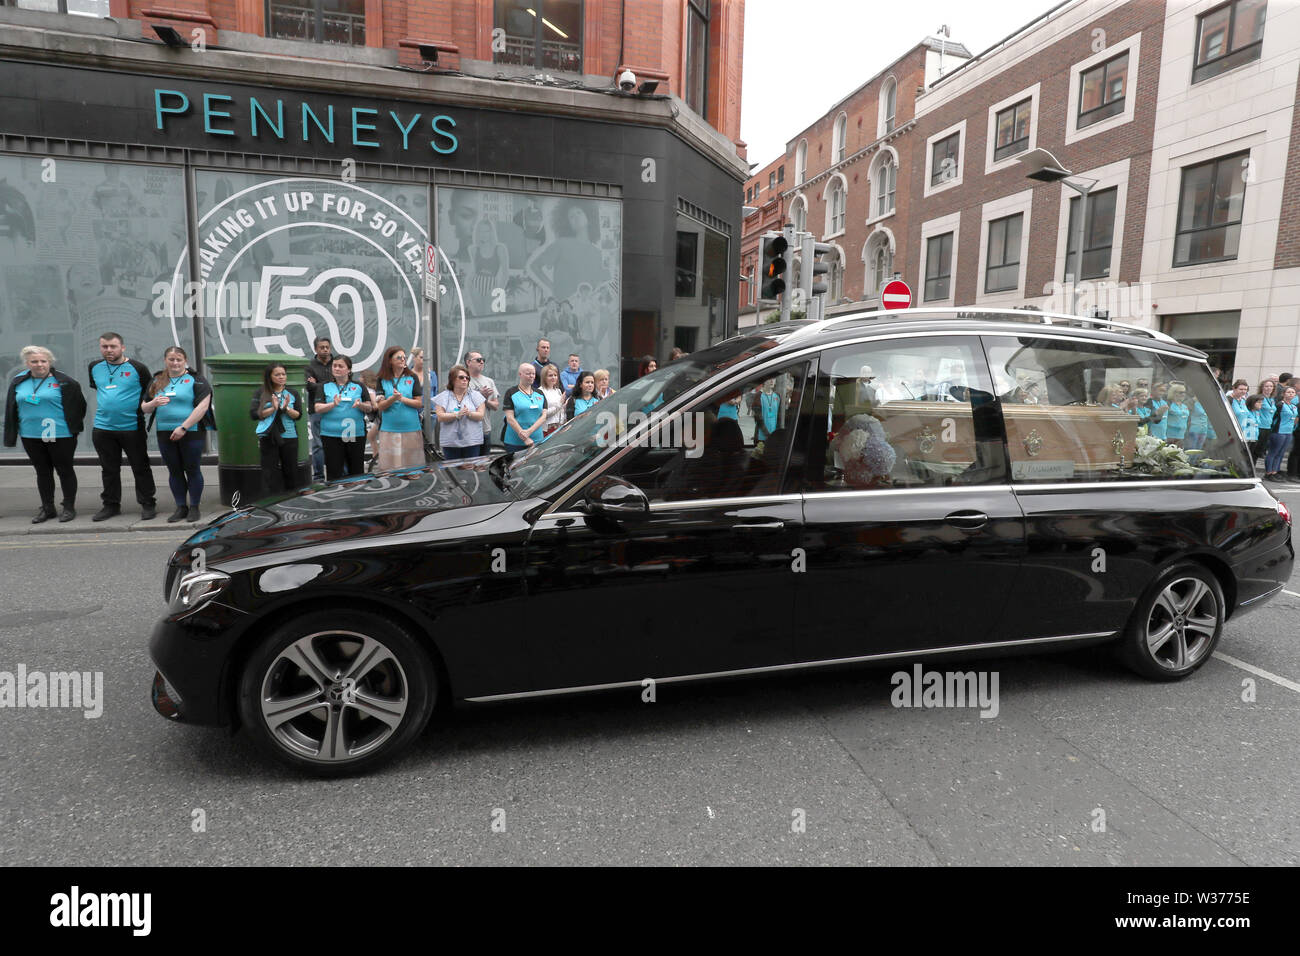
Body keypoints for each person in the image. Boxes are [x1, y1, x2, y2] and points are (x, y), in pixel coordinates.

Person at [3, 345, 86, 523]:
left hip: (61, 434)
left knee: (64, 470)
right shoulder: (18, 381)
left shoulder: (65, 381)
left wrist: (74, 429)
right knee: (42, 472)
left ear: (50, 362)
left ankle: (69, 507)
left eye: (43, 361)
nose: (39, 364)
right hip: (31, 435)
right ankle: (48, 508)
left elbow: (79, 407)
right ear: (27, 363)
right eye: (34, 361)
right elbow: (12, 406)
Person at [87, 332, 156, 521]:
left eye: (113, 346)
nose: (109, 350)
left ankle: (148, 503)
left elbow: (148, 392)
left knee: (140, 467)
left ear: (122, 347)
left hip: (131, 427)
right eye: (104, 346)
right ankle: (111, 505)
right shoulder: (94, 367)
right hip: (103, 427)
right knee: (109, 469)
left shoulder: (138, 368)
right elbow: (99, 389)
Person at [141, 346, 213, 523]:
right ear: (165, 361)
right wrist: (154, 403)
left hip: (191, 431)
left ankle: (194, 507)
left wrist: (183, 427)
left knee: (192, 469)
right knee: (174, 470)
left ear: (185, 361)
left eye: (179, 359)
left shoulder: (196, 380)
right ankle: (181, 507)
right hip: (164, 432)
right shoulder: (157, 380)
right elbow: (144, 407)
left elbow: (202, 407)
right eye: (171, 359)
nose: (175, 363)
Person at [314, 355, 375, 481]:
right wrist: (333, 404)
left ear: (349, 370)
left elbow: (369, 407)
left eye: (340, 366)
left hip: (354, 432)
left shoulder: (359, 386)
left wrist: (360, 405)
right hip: (331, 434)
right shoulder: (324, 386)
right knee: (334, 471)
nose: (336, 368)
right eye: (334, 366)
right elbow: (318, 408)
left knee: (356, 470)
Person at [250, 362, 304, 493]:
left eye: (283, 374)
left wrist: (285, 408)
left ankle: (291, 500)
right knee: (269, 472)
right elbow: (254, 414)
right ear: (270, 376)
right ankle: (271, 501)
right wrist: (273, 408)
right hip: (269, 437)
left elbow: (298, 415)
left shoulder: (292, 393)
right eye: (277, 374)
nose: (281, 377)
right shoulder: (261, 392)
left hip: (289, 436)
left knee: (291, 471)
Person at [375, 346, 425, 471]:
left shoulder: (412, 377)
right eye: (399, 357)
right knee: (391, 470)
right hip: (389, 430)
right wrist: (393, 399)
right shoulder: (382, 379)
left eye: (404, 357)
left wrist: (402, 399)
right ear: (390, 361)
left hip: (411, 429)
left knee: (413, 470)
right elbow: (380, 406)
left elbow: (419, 403)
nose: (403, 360)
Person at [434, 364, 487, 459]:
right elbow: (440, 417)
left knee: (471, 470)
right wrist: (456, 415)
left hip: (471, 441)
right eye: (461, 377)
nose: (465, 380)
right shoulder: (444, 396)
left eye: (467, 378)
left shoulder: (476, 396)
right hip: (451, 442)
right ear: (453, 379)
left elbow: (481, 415)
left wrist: (469, 413)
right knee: (452, 470)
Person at [304, 336, 334, 482]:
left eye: (327, 347)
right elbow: (309, 386)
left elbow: (342, 383)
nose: (325, 350)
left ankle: (338, 475)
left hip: (336, 409)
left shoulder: (337, 363)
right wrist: (329, 384)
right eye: (322, 347)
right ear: (315, 349)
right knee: (318, 444)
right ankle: (318, 477)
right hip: (316, 409)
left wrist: (319, 384)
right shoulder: (309, 366)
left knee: (336, 443)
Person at [502, 363, 546, 452]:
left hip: (537, 440)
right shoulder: (511, 392)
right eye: (528, 373)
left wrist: (529, 432)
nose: (531, 376)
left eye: (533, 374)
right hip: (515, 441)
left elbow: (543, 416)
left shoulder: (540, 393)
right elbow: (509, 418)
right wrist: (524, 437)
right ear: (520, 374)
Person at [465, 349, 499, 457]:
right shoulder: (462, 380)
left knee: (483, 465)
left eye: (483, 360)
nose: (482, 362)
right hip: (467, 430)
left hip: (485, 429)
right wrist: (479, 395)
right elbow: (459, 404)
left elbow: (495, 406)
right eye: (478, 360)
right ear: (468, 362)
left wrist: (484, 399)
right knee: (468, 465)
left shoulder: (489, 381)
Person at [1264, 385, 1297, 481]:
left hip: (1289, 432)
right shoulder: (1280, 405)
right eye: (1288, 392)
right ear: (1283, 394)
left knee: (1281, 453)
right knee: (1273, 452)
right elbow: (1274, 417)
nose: (1291, 394)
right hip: (1279, 431)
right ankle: (1268, 473)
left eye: (1293, 392)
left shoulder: (1293, 406)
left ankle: (1275, 471)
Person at [359, 369, 382, 472]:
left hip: (379, 419)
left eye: (361, 377)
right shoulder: (371, 389)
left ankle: (377, 458)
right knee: (371, 436)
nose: (359, 379)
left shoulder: (368, 390)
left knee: (373, 436)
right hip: (378, 419)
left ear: (364, 378)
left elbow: (375, 405)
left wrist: (368, 406)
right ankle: (375, 457)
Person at [538, 362, 566, 437]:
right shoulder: (540, 391)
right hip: (546, 429)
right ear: (544, 377)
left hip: (559, 428)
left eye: (555, 375)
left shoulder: (558, 390)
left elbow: (561, 411)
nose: (553, 377)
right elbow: (543, 414)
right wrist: (560, 404)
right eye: (550, 375)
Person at [1256, 379, 1277, 465]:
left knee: (1261, 450)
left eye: (1271, 386)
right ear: (1262, 387)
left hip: (1268, 427)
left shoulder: (1272, 400)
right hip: (1260, 426)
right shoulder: (1259, 398)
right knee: (1255, 450)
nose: (1269, 388)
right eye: (1266, 386)